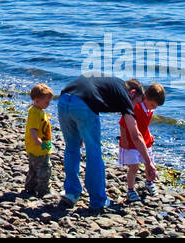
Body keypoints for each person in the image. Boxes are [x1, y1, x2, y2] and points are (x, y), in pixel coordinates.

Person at [55, 75, 156, 211]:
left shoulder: (113, 84)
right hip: (84, 104)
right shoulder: (125, 96)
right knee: (93, 152)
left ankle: (71, 193)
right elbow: (136, 135)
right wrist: (149, 163)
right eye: (136, 103)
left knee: (71, 148)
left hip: (64, 100)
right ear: (132, 93)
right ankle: (98, 200)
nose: (134, 107)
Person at [119, 81, 165, 203]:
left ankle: (149, 182)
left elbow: (144, 124)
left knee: (149, 163)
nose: (153, 108)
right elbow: (123, 123)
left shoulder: (149, 109)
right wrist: (123, 139)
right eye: (152, 105)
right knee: (134, 166)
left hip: (145, 139)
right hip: (131, 140)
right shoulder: (136, 107)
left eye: (155, 106)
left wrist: (149, 133)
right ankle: (130, 189)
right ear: (146, 98)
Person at [23, 84, 54, 198]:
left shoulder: (38, 110)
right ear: (37, 100)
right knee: (44, 168)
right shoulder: (35, 113)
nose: (48, 104)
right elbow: (33, 128)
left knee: (34, 167)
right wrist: (36, 139)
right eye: (46, 102)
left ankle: (30, 187)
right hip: (38, 146)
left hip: (42, 144)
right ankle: (43, 190)